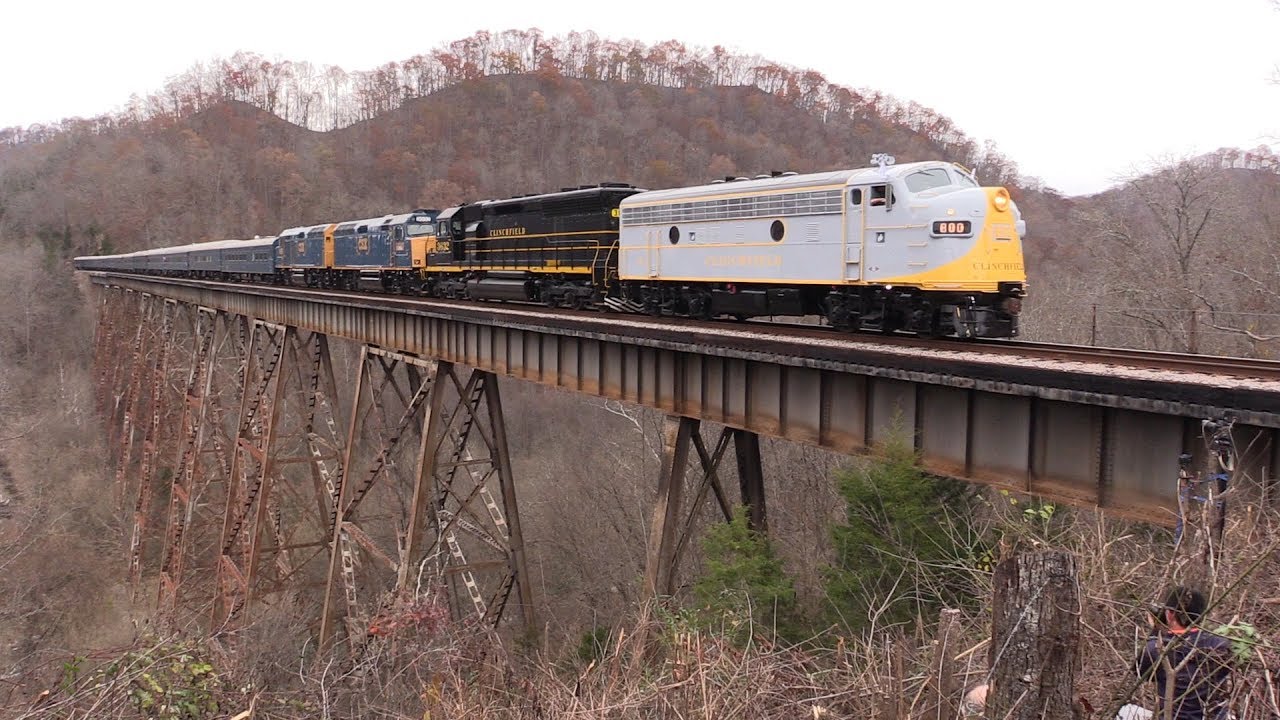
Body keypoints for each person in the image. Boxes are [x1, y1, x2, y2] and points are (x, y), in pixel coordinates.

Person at [1132, 586, 1235, 720]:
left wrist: (1156, 630)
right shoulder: (1221, 645)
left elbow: (1139, 672)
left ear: (1170, 614)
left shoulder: (1157, 649)